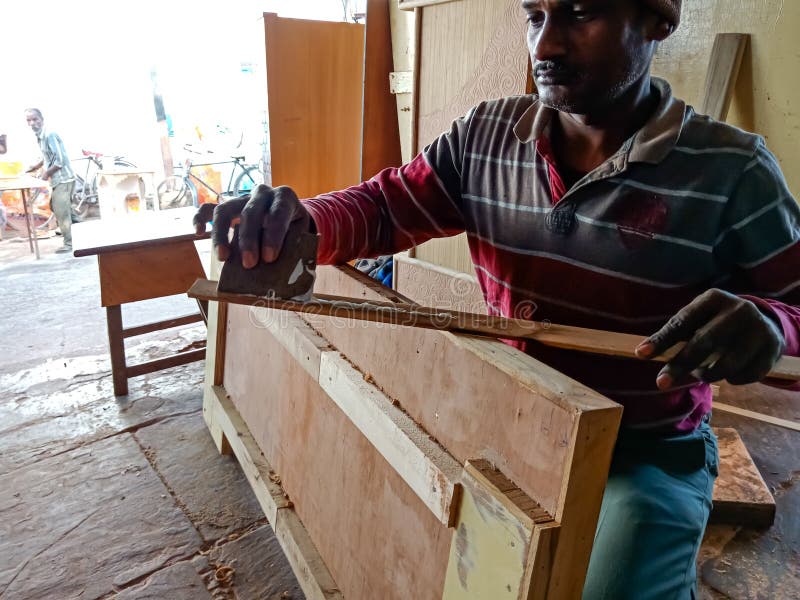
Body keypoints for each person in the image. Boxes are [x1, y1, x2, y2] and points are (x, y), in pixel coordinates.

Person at [197, 1, 800, 597]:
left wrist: (772, 324)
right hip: (507, 421)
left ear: (657, 19)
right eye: (534, 15)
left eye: (581, 13)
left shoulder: (733, 170)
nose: (544, 47)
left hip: (646, 452)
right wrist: (302, 223)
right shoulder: (484, 137)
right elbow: (384, 208)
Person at [25, 108, 76, 253]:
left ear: (42, 119)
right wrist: (36, 167)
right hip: (57, 180)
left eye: (35, 119)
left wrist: (45, 173)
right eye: (29, 120)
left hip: (64, 179)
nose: (32, 123)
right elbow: (47, 156)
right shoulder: (40, 135)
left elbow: (58, 161)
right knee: (59, 208)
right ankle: (86, 232)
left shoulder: (50, 134)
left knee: (61, 212)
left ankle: (69, 244)